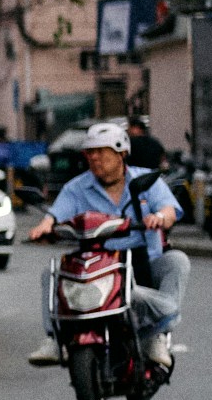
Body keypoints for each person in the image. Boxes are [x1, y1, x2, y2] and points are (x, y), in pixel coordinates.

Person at [26, 119, 188, 369]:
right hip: (96, 264)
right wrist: (45, 226)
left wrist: (159, 218)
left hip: (142, 261)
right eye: (90, 152)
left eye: (101, 152)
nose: (94, 158)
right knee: (52, 272)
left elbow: (169, 210)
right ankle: (55, 339)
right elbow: (55, 215)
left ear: (121, 153)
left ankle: (158, 334)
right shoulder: (77, 187)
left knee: (177, 260)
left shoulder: (146, 181)